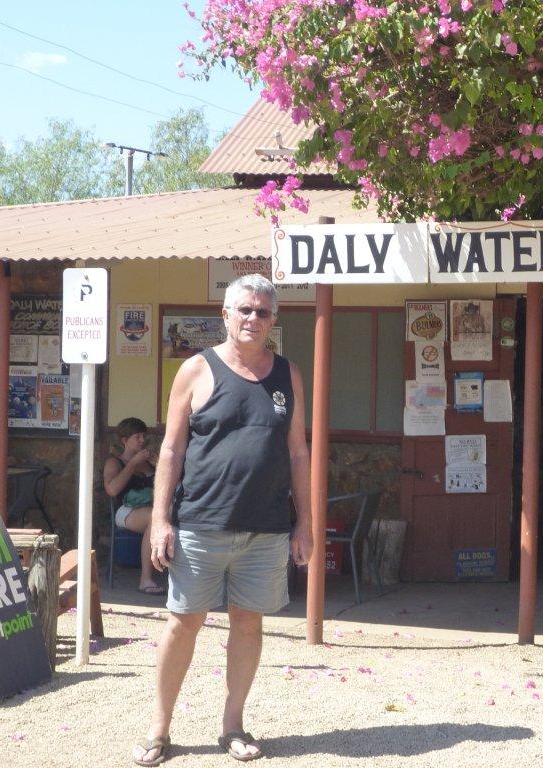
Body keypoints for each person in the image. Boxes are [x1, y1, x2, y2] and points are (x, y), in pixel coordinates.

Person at [132, 274, 312, 766]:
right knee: (183, 624)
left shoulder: (288, 375)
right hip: (200, 524)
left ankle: (232, 726)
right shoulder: (195, 369)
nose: (254, 318)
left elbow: (299, 453)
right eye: (245, 310)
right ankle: (159, 727)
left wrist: (306, 524)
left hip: (267, 527)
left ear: (274, 319)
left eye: (263, 312)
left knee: (248, 625)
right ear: (226, 316)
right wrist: (161, 521)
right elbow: (171, 449)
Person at [104, 417, 163, 595]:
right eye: (137, 437)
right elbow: (112, 490)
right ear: (124, 440)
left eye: (144, 436)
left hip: (154, 509)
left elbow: (176, 487)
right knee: (156, 519)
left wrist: (161, 465)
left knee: (161, 517)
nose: (142, 440)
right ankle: (145, 579)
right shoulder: (115, 462)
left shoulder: (150, 463)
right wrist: (132, 464)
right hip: (126, 511)